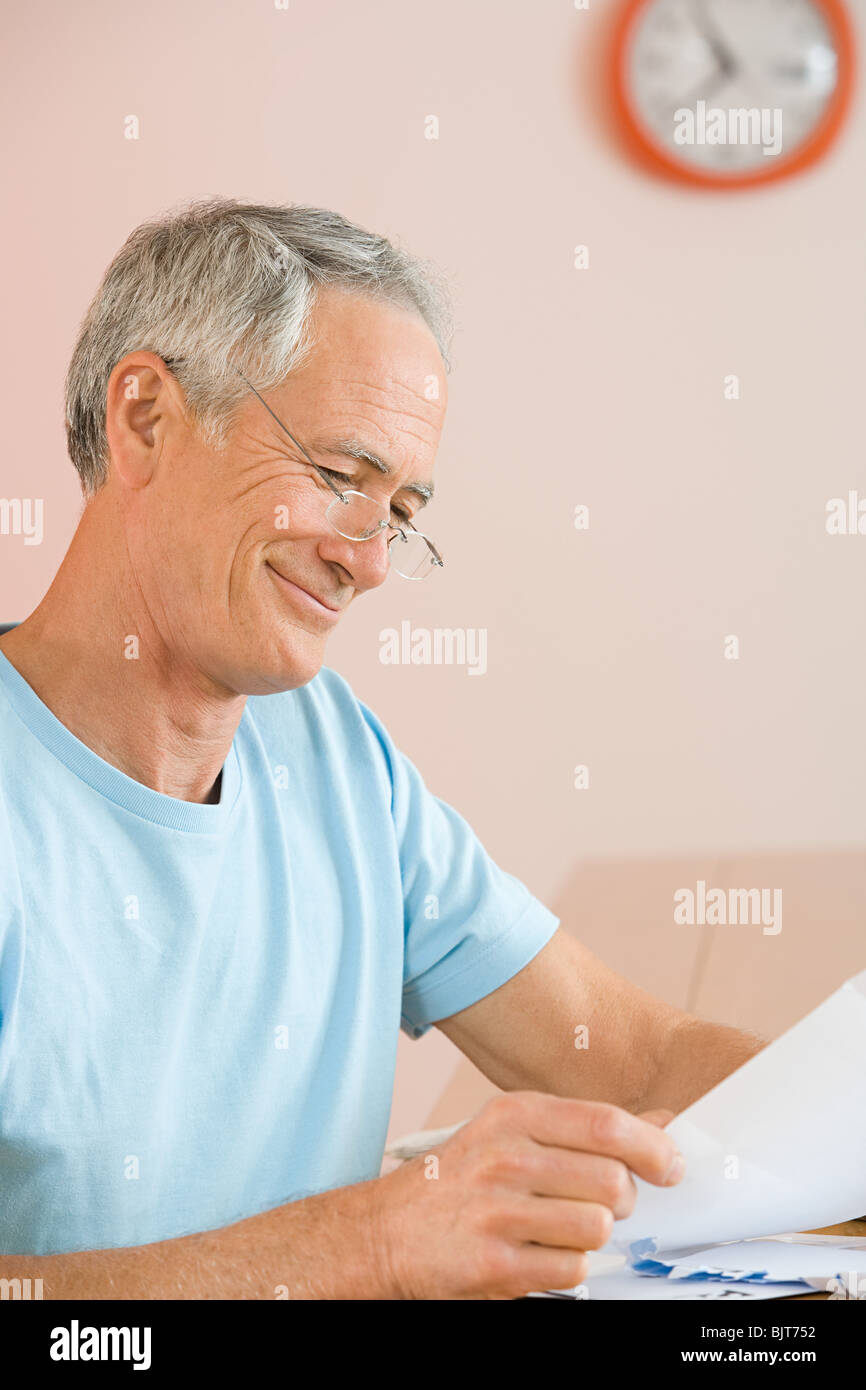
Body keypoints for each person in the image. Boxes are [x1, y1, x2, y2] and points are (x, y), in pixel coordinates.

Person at [0, 198, 762, 1299]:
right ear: (146, 418)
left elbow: (633, 1059)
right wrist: (373, 1246)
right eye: (337, 476)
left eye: (398, 512)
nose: (366, 560)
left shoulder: (329, 751)